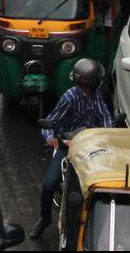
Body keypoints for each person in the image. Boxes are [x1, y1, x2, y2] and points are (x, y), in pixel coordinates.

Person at [30, 58, 112, 239]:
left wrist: (109, 134)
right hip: (67, 148)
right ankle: (44, 218)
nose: (85, 90)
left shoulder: (97, 96)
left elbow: (105, 118)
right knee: (48, 185)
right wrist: (50, 137)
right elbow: (49, 122)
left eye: (87, 87)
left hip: (91, 148)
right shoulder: (69, 98)